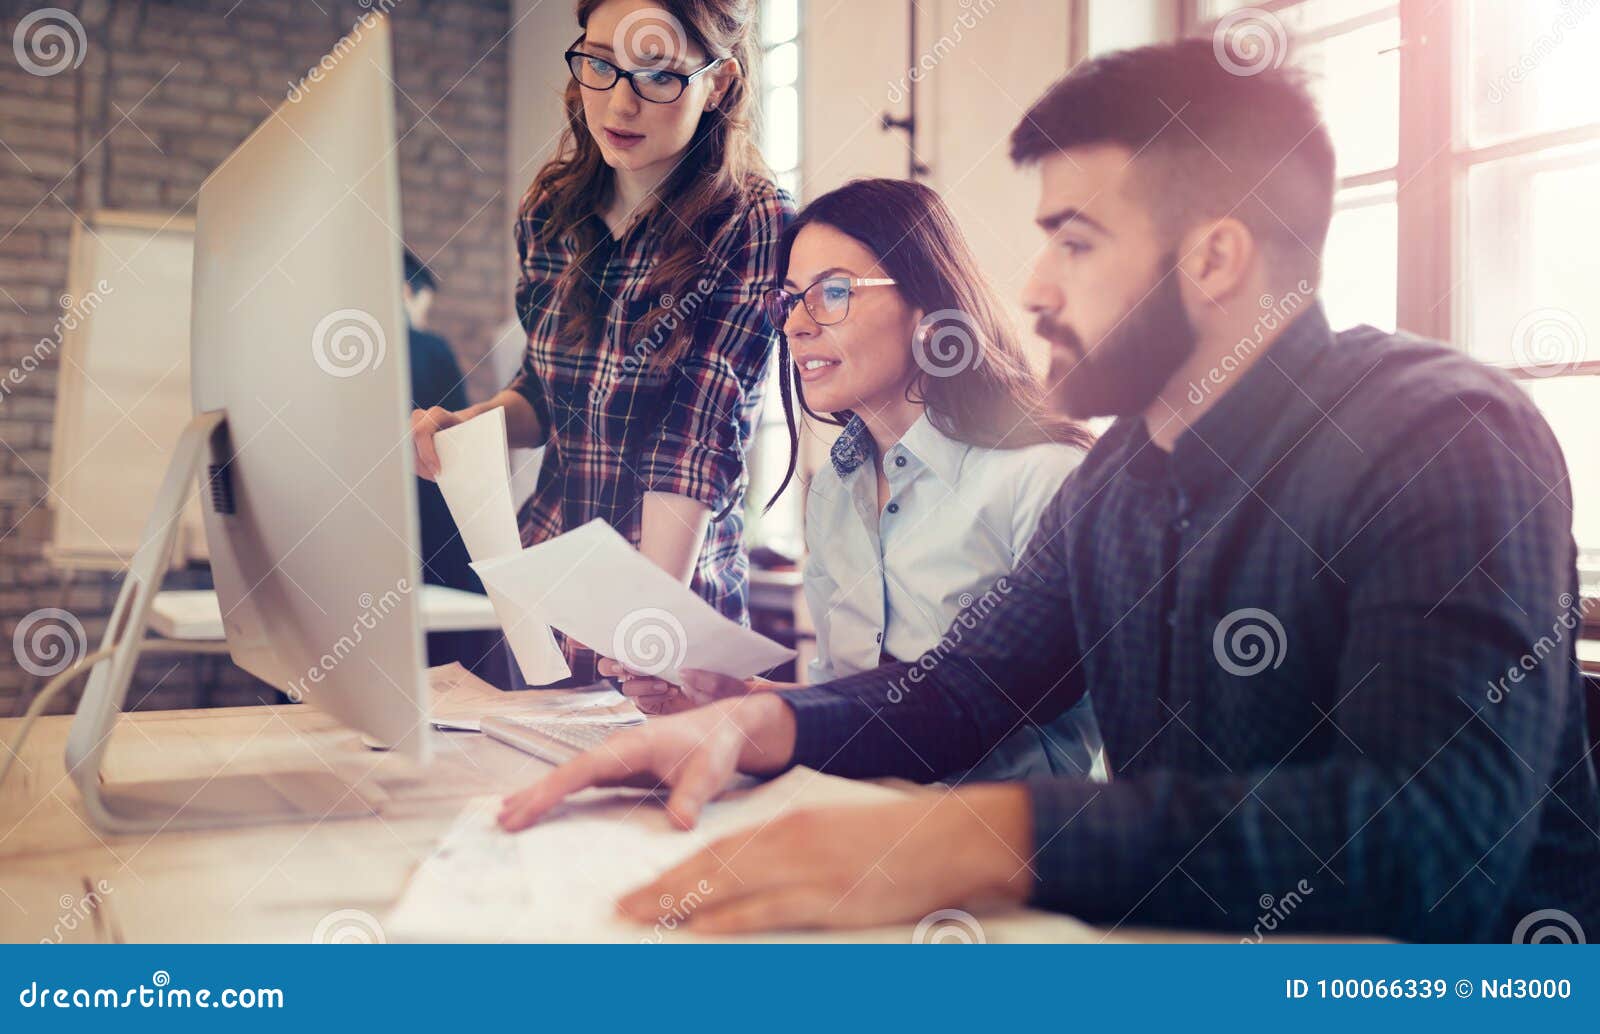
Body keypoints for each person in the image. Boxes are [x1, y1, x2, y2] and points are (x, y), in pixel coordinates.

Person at [495, 39, 1600, 942]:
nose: (1029, 287)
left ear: (1213, 260)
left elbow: (1425, 832)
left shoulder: (1443, 434)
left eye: (1074, 242)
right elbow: (963, 687)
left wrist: (984, 835)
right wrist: (754, 719)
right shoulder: (1121, 478)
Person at [607, 178, 1104, 783]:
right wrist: (730, 704)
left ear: (927, 307)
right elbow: (849, 704)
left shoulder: (1044, 477)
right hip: (853, 819)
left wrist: (768, 723)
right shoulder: (834, 491)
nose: (795, 325)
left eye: (833, 292)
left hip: (1002, 850)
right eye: (788, 299)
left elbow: (981, 701)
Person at [410, 0, 793, 684]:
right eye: (600, 63)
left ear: (721, 84)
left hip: (667, 608)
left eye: (657, 75)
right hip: (545, 599)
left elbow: (694, 439)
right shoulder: (552, 210)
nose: (620, 102)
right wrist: (469, 427)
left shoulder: (752, 219)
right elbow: (545, 388)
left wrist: (646, 627)